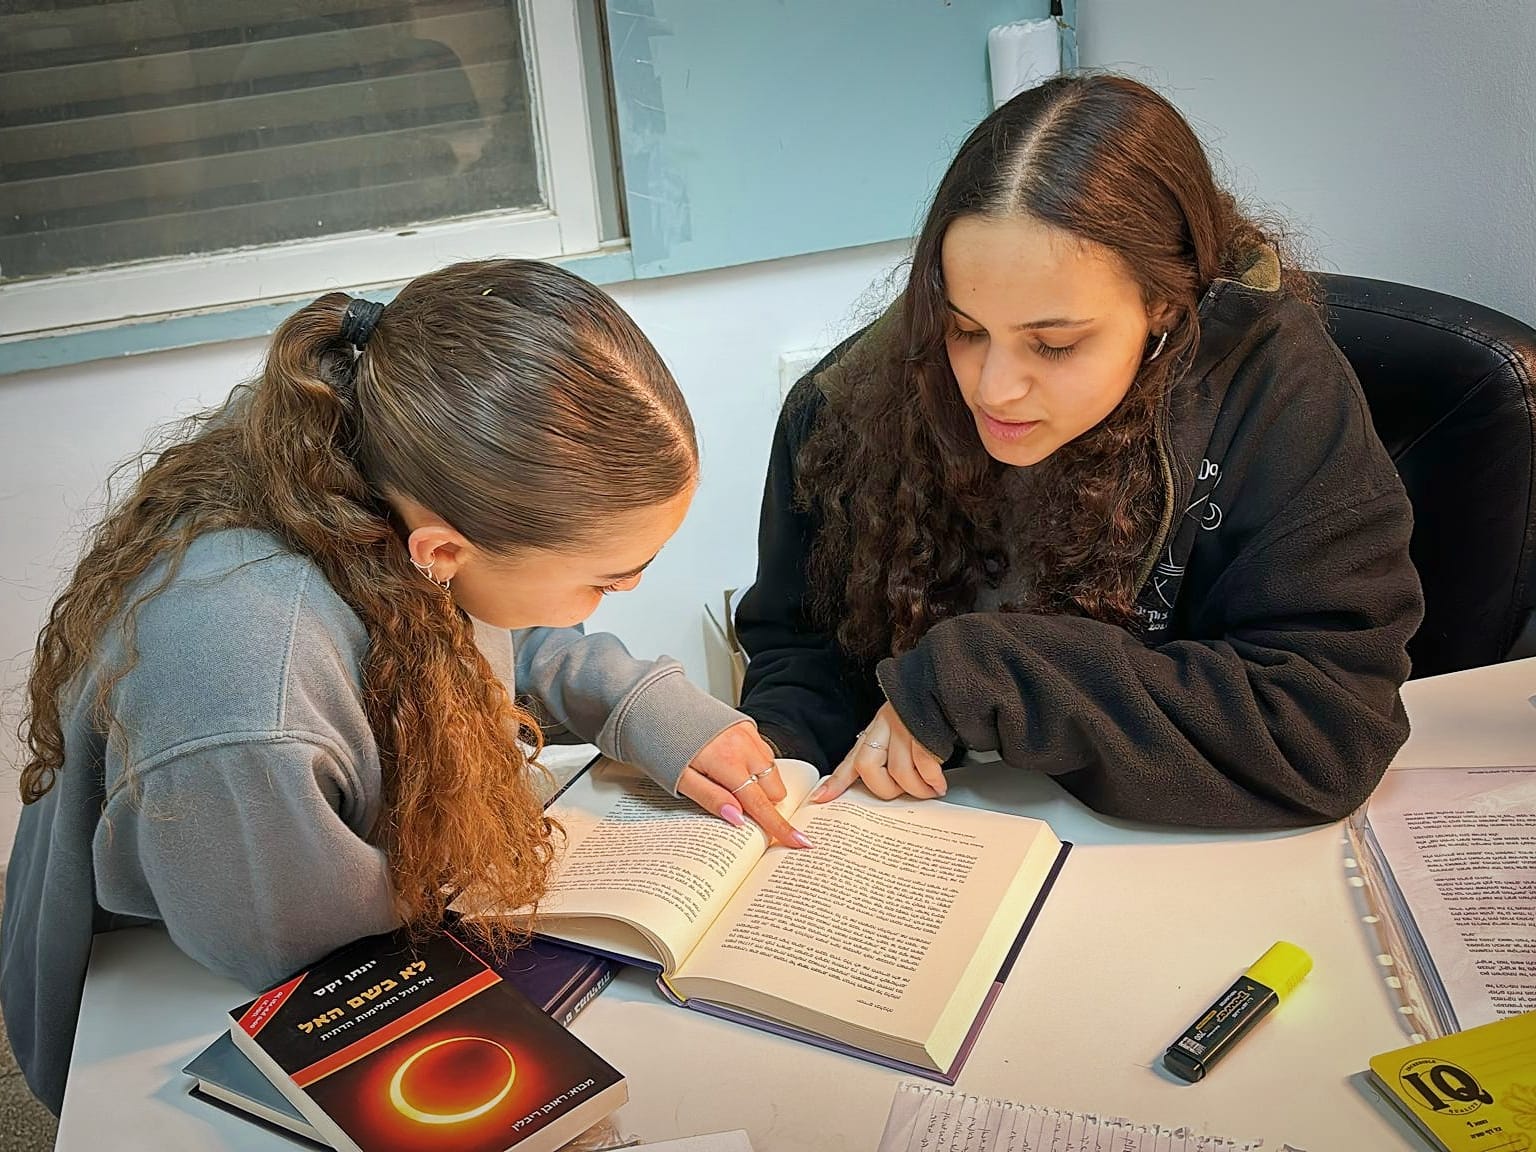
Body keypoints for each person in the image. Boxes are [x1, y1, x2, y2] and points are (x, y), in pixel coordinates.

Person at [2, 259, 803, 1114]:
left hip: (276, 902)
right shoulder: (248, 697)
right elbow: (294, 950)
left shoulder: (364, 454)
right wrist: (484, 851)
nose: (628, 596)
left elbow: (494, 624)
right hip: (168, 1019)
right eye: (607, 582)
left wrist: (641, 703)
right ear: (442, 553)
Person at [736, 74, 1424, 828]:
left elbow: (1325, 727)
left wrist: (990, 674)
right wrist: (776, 756)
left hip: (1179, 866)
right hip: (934, 842)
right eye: (965, 329)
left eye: (1054, 345)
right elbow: (801, 645)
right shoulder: (845, 402)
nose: (994, 389)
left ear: (1164, 304)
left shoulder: (1273, 390)